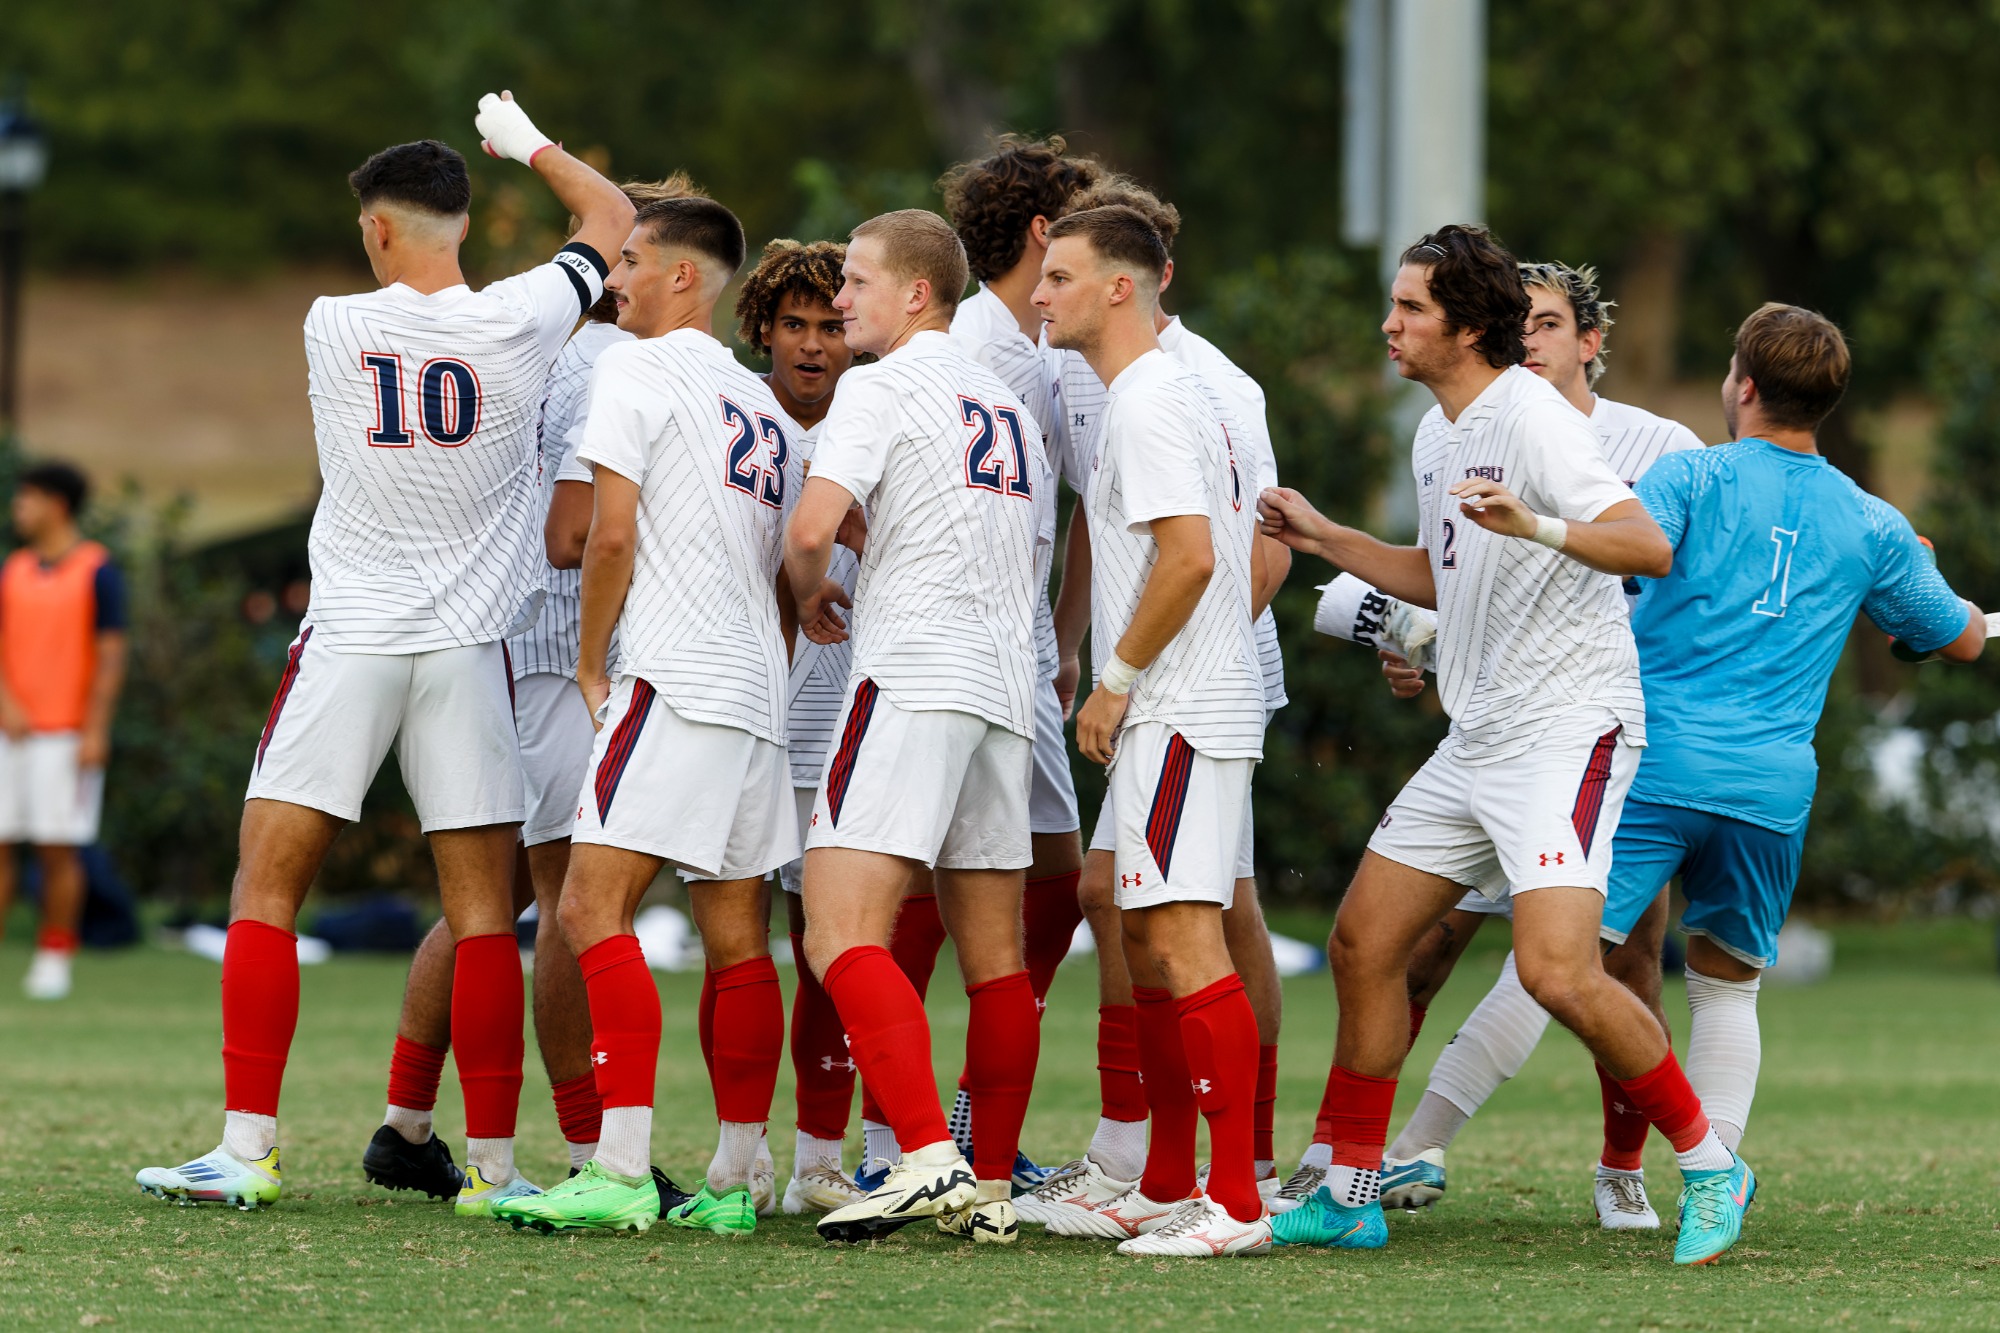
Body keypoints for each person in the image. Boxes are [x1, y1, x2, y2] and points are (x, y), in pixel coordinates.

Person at [1374, 303, 1990, 1235]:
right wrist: (1936, 597)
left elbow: (1617, 560)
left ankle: (1420, 1141)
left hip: (1654, 767)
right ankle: (1718, 1181)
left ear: (1743, 384)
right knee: (1727, 985)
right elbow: (1960, 639)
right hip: (1770, 788)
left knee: (1553, 963)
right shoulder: (1874, 521)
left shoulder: (1691, 475)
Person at [136, 92, 634, 1214]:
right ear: (464, 223)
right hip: (468, 650)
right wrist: (528, 144)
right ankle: (495, 1170)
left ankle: (248, 1149)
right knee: (482, 914)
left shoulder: (332, 323)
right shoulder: (524, 319)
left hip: (353, 638)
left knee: (268, 886)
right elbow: (609, 216)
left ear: (376, 229)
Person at [1259, 224, 1756, 1267]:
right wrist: (1325, 536)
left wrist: (1535, 524)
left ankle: (1712, 1165)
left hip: (1567, 729)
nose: (1389, 324)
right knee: (1363, 944)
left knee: (1559, 973)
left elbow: (1646, 546)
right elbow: (1443, 574)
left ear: (1466, 327)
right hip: (1479, 733)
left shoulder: (1532, 418)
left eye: (1410, 308)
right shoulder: (1437, 432)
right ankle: (1350, 1191)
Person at [361, 175, 702, 1213]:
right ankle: (592, 1145)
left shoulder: (538, 341)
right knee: (569, 899)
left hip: (503, 631)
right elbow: (575, 530)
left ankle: (406, 1124)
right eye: (634, 252)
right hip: (560, 645)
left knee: (489, 898)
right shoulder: (610, 361)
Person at [491, 196, 801, 1237]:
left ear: (682, 276)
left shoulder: (633, 370)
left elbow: (608, 536)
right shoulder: (761, 402)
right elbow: (784, 572)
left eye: (627, 261)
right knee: (737, 940)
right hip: (756, 689)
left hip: (672, 674)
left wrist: (590, 667)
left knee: (588, 909)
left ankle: (619, 1165)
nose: (611, 279)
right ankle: (734, 1178)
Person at [1019, 177, 1288, 1225]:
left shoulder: (1151, 399)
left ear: (1121, 288)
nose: (1040, 295)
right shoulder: (1149, 391)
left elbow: (1190, 559)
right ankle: (1166, 1182)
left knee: (1184, 941)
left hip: (1179, 707)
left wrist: (1115, 679)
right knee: (1142, 932)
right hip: (1172, 707)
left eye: (1059, 276)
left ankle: (1236, 1197)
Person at [783, 209, 1051, 1245]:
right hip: (1004, 689)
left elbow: (811, 527)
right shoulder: (1006, 405)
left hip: (909, 676)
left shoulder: (879, 384)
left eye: (855, 281)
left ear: (916, 293)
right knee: (996, 960)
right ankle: (990, 1190)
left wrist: (809, 586)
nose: (839, 298)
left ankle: (926, 1159)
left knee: (837, 928)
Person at [891, 137, 1098, 1186]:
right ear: (1040, 234)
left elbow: (1085, 508)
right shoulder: (969, 346)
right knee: (916, 890)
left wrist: (1064, 640)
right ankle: (892, 1140)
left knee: (1055, 886)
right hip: (946, 650)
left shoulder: (1049, 350)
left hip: (1017, 653)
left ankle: (975, 1125)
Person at [729, 237, 869, 1215]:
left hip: (845, 708)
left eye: (830, 325)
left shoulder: (881, 411)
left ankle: (822, 1156)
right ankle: (739, 1153)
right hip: (743, 703)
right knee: (738, 935)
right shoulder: (732, 413)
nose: (813, 345)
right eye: (793, 325)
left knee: (830, 938)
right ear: (762, 330)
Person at [0, 462, 128, 1001]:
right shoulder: (13, 569)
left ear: (56, 505)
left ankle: (54, 955)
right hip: (10, 732)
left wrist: (95, 730)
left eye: (26, 498)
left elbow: (111, 656)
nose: (18, 508)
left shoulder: (98, 570)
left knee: (57, 849)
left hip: (66, 734)